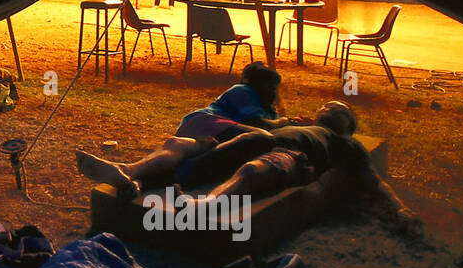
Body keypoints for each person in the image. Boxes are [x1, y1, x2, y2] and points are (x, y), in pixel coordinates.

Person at [78, 101, 417, 227]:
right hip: (253, 143)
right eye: (329, 104)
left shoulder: (345, 144)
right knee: (181, 143)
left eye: (340, 108)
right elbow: (255, 123)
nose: (332, 107)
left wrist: (399, 209)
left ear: (347, 125)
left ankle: (203, 207)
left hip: (289, 159)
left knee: (255, 169)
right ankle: (129, 173)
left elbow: (374, 181)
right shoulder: (293, 124)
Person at [101, 63, 308, 185]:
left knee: (183, 153)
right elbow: (258, 124)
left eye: (274, 87)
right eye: (269, 85)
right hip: (208, 121)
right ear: (255, 83)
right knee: (261, 139)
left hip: (198, 126)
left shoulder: (264, 106)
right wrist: (285, 122)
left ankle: (132, 174)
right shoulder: (243, 91)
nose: (273, 91)